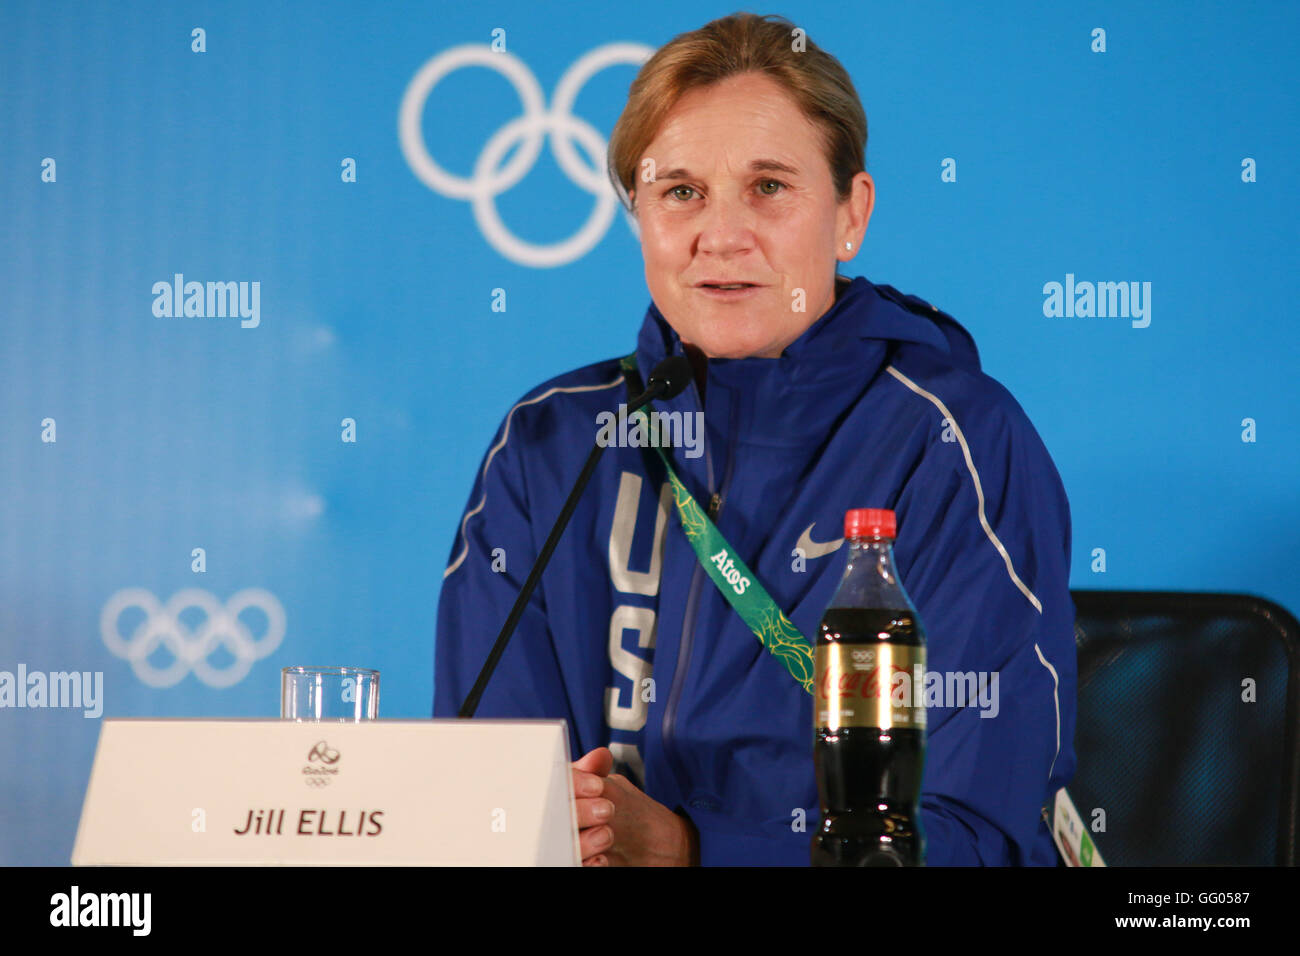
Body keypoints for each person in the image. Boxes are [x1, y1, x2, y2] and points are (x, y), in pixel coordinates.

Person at [434, 12, 1076, 866]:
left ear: (852, 214)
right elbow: (487, 810)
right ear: (640, 218)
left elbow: (982, 842)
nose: (721, 235)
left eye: (769, 187)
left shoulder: (955, 442)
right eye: (681, 192)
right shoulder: (551, 441)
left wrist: (693, 850)